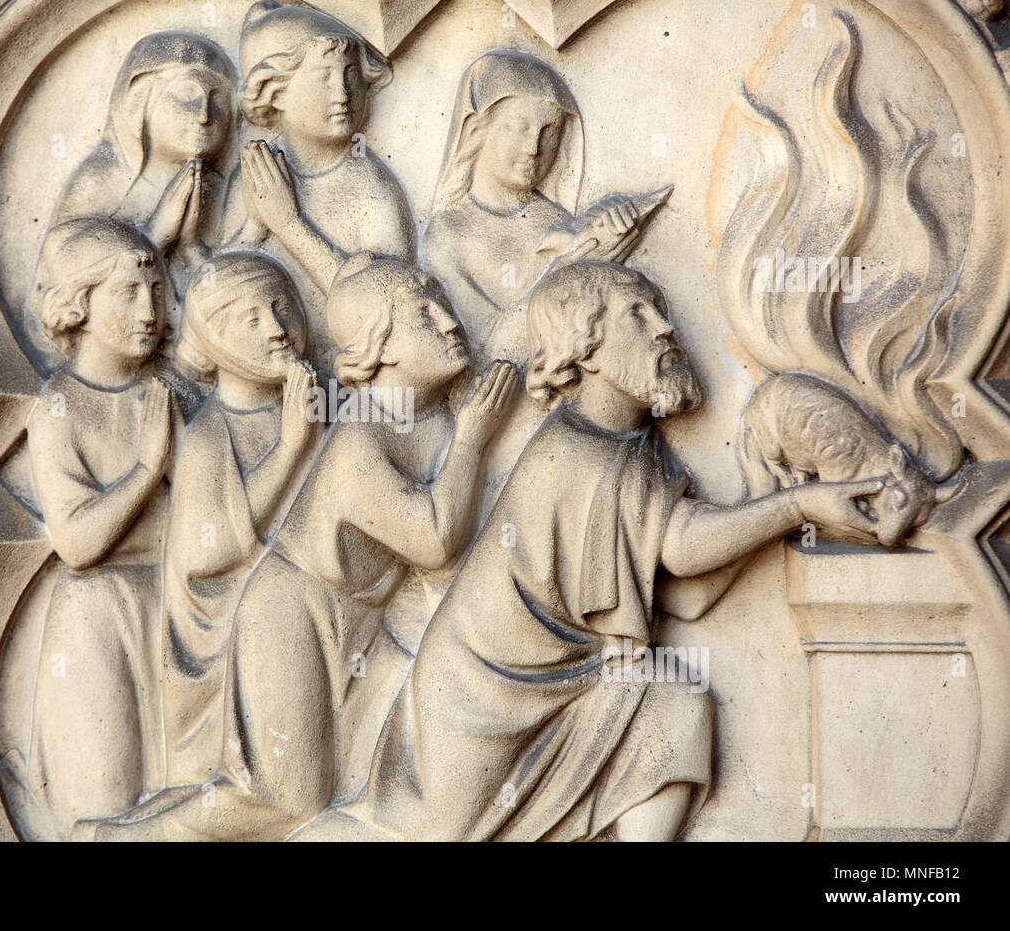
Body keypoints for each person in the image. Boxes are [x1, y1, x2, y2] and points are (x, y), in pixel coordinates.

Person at [310, 259, 884, 841]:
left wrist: (770, 501)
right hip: (483, 714)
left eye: (659, 309)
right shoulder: (575, 452)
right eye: (638, 314)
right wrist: (795, 508)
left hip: (561, 688)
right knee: (669, 710)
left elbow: (683, 594)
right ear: (584, 350)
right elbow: (684, 549)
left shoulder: (631, 446)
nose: (664, 327)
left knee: (672, 710)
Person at [78, 254, 519, 840]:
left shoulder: (426, 415)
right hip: (292, 616)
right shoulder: (360, 441)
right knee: (288, 799)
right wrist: (471, 442)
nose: (448, 320)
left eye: (442, 303)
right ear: (379, 345)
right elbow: (435, 539)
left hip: (362, 620)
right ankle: (122, 839)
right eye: (423, 313)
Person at [23, 218, 184, 840]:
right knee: (106, 806)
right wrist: (147, 470)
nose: (149, 309)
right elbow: (78, 543)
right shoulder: (60, 406)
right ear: (78, 305)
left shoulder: (168, 396)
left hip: (176, 611)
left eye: (157, 291)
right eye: (127, 292)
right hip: (96, 620)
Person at [161, 252, 320, 785]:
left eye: (282, 308)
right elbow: (209, 551)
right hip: (229, 649)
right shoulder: (210, 436)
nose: (278, 329)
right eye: (252, 320)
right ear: (216, 341)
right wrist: (290, 448)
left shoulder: (310, 405)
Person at [220, 0, 417, 375]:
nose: (342, 93)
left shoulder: (370, 185)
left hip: (357, 380)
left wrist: (288, 224)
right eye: (323, 77)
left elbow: (391, 312)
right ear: (274, 92)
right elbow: (224, 288)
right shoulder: (257, 171)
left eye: (350, 75)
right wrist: (253, 228)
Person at [424, 48, 642, 358]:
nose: (533, 147)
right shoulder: (448, 235)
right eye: (519, 127)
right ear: (478, 130)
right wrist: (570, 268)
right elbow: (488, 354)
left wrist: (608, 221)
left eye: (549, 131)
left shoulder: (555, 218)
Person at [41, 30, 237, 349]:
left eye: (217, 101)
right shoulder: (103, 178)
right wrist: (156, 235)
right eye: (188, 97)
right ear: (140, 101)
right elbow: (65, 276)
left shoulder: (222, 188)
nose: (204, 115)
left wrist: (191, 250)